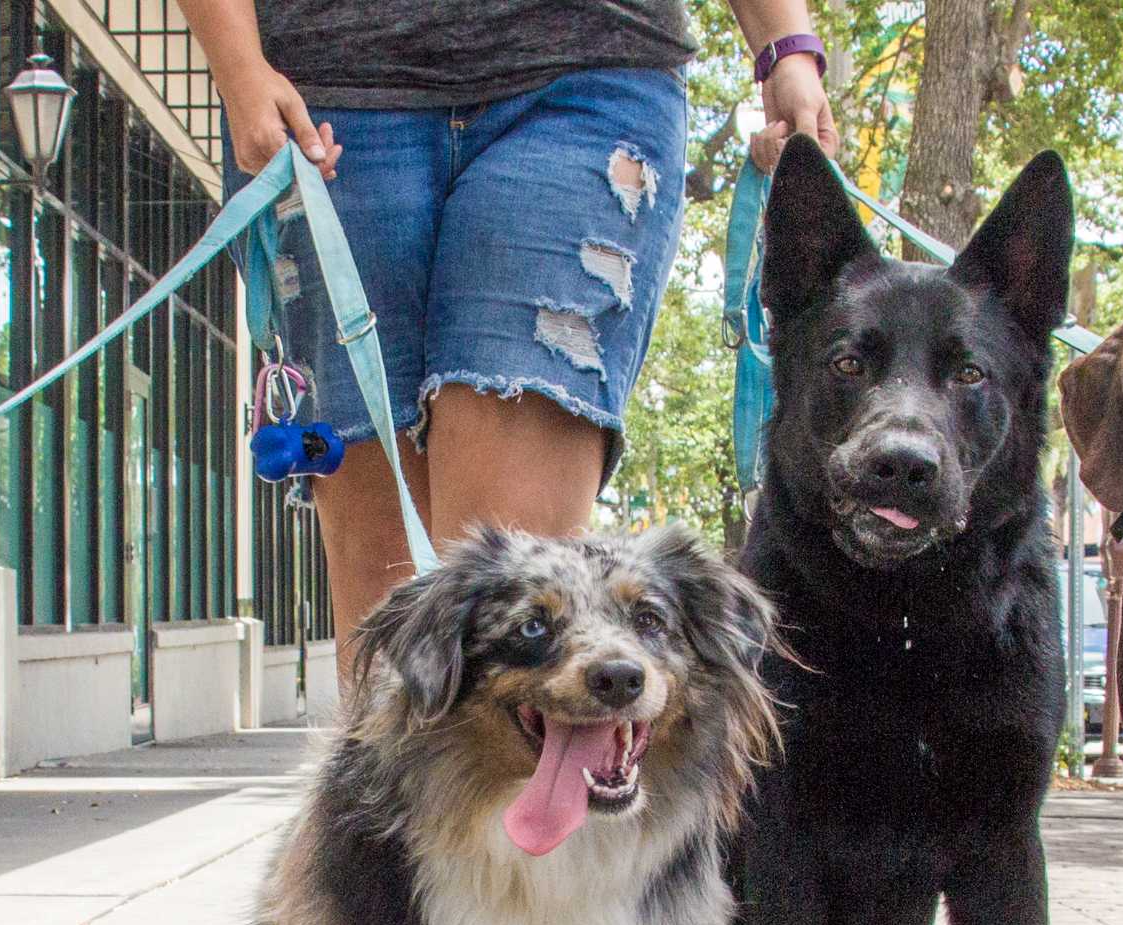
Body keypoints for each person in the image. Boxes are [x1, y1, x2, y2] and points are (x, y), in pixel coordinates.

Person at [184, 0, 839, 676]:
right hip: (327, 88)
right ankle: (392, 782)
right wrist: (238, 66)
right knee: (392, 621)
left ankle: (545, 777)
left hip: (592, 70)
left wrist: (784, 45)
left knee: (521, 613)